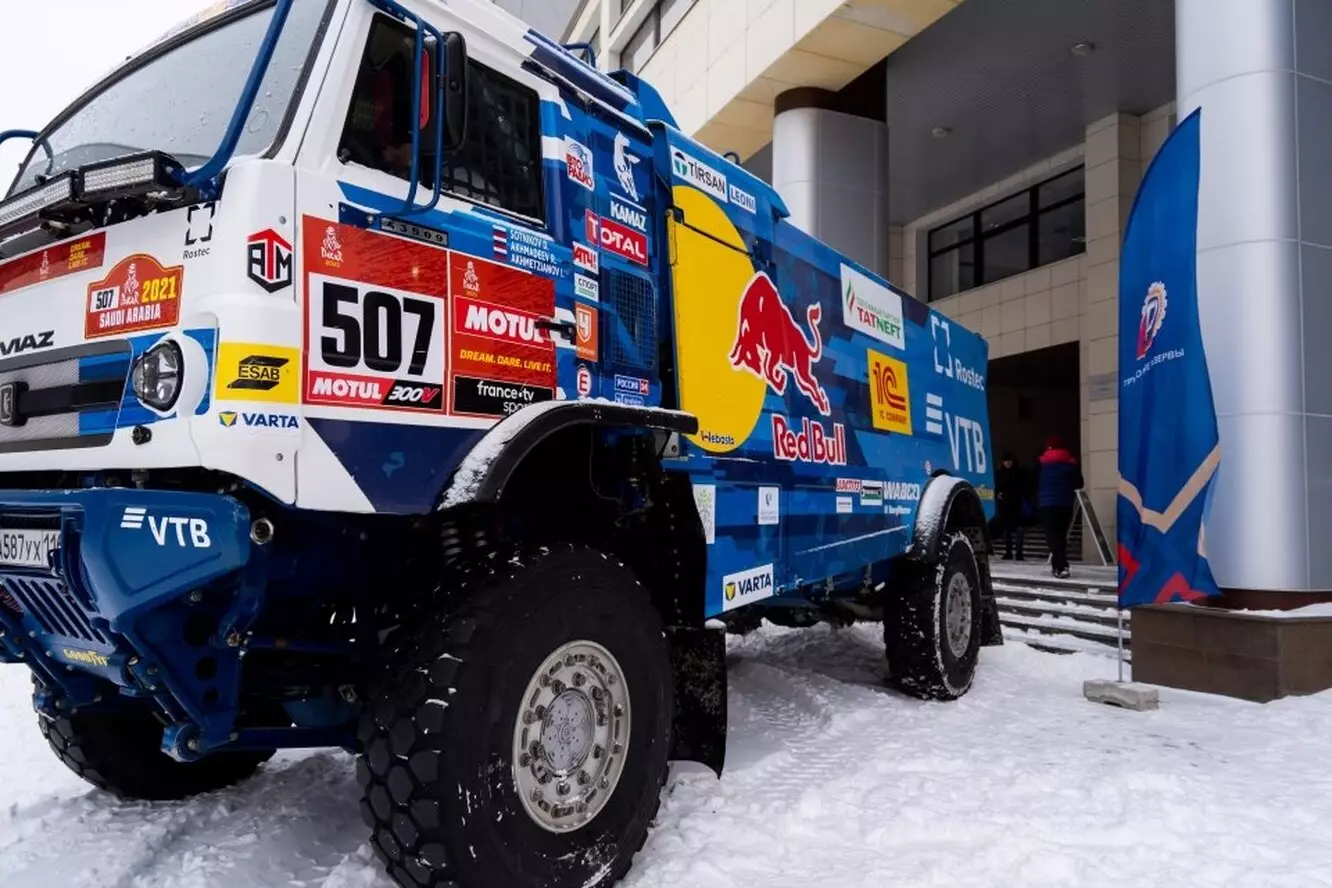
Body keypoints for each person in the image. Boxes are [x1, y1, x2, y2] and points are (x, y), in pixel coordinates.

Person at [1035, 435, 1083, 578]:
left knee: (1052, 536)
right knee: (1061, 535)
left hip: (1047, 504)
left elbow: (1033, 482)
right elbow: (1079, 483)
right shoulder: (1071, 463)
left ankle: (1059, 566)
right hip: (1065, 503)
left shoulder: (1041, 463)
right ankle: (1061, 566)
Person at [995, 451, 1027, 561]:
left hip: (1016, 504)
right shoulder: (1000, 473)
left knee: (1018, 529)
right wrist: (997, 494)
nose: (1007, 463)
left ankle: (1018, 552)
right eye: (1006, 461)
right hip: (1006, 505)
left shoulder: (1019, 472)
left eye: (1009, 461)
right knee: (1008, 530)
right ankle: (1009, 551)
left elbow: (1024, 487)